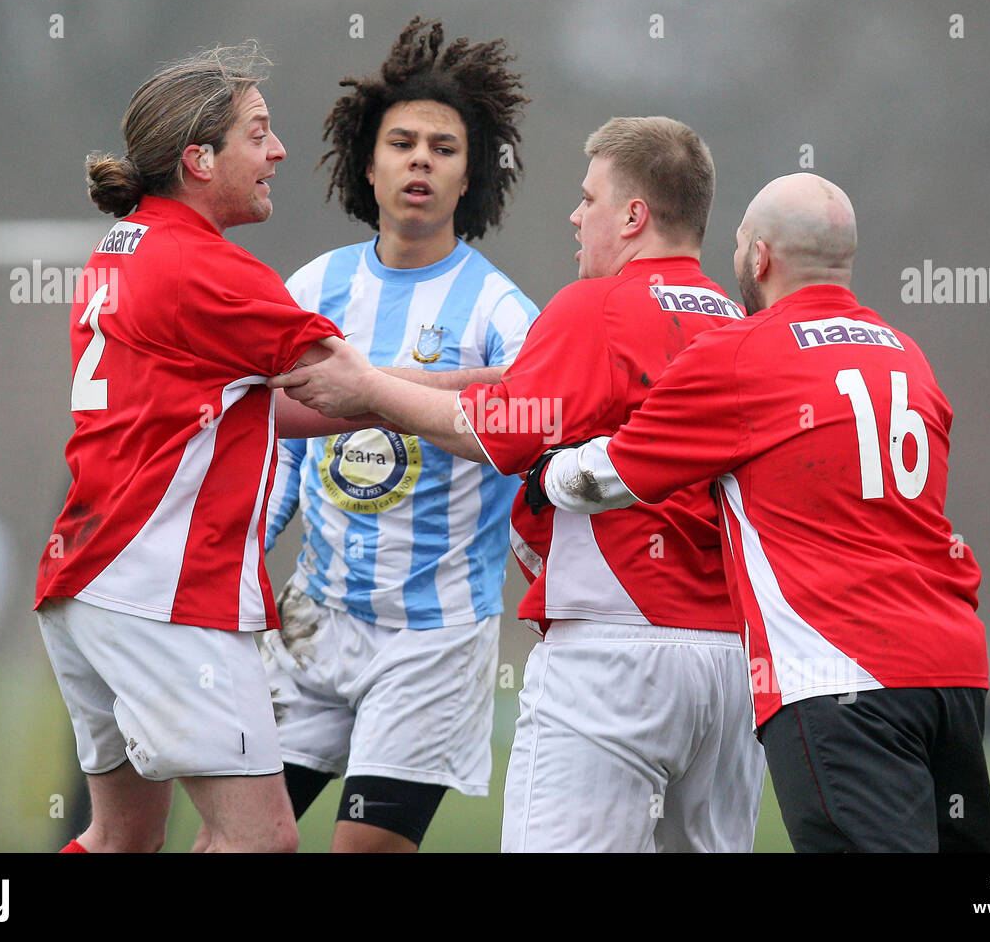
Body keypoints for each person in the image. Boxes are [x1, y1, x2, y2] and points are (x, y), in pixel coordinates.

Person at [278, 116, 766, 852]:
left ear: (634, 215)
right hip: (734, 667)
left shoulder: (595, 306)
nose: (576, 215)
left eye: (589, 198)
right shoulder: (742, 325)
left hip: (615, 650)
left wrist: (370, 391)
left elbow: (493, 428)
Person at [537, 173, 990, 852]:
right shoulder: (910, 357)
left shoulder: (742, 352)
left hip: (841, 678)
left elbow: (607, 478)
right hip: (954, 673)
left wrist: (545, 467)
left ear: (759, 259)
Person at [33, 44, 343, 853]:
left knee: (119, 839)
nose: (277, 153)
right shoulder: (206, 267)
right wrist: (507, 393)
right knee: (260, 839)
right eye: (259, 134)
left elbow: (259, 410)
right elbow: (347, 380)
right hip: (163, 597)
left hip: (87, 582)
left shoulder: (124, 246)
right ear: (198, 159)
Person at [252, 18, 537, 853]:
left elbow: (528, 423)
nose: (420, 160)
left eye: (443, 148)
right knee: (237, 840)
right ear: (366, 164)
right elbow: (279, 446)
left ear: (469, 175)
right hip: (314, 622)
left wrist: (376, 390)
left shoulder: (501, 312)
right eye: (402, 143)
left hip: (434, 639)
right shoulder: (314, 289)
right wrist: (237, 559)